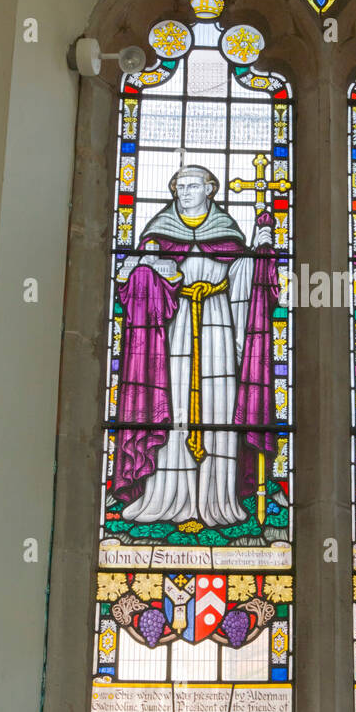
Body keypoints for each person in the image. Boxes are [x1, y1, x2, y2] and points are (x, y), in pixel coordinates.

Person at [111, 165, 277, 526]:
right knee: (174, 403)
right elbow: (132, 284)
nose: (184, 192)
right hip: (173, 329)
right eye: (179, 187)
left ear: (210, 189)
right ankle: (167, 499)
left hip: (217, 322)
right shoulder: (158, 233)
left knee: (219, 407)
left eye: (192, 186)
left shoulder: (228, 236)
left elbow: (243, 285)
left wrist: (261, 251)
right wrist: (146, 271)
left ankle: (218, 501)